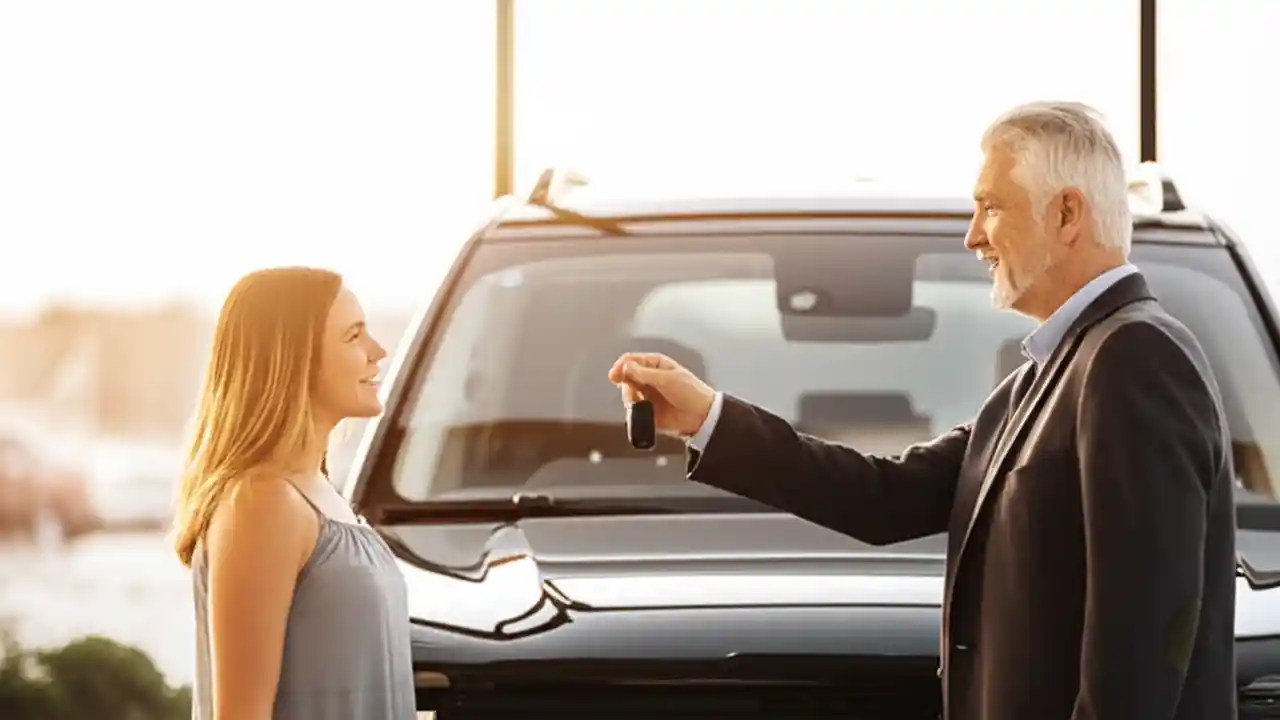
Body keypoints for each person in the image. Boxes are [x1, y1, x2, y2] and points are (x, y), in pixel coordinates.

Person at [609, 102, 1237, 720]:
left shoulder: (1133, 357)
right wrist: (707, 417)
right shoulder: (1039, 382)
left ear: (1066, 213)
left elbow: (1140, 649)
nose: (972, 235)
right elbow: (887, 498)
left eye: (991, 207)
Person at [171, 267, 415, 719]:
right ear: (294, 359)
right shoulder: (263, 502)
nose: (378, 352)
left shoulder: (315, 492)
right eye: (353, 336)